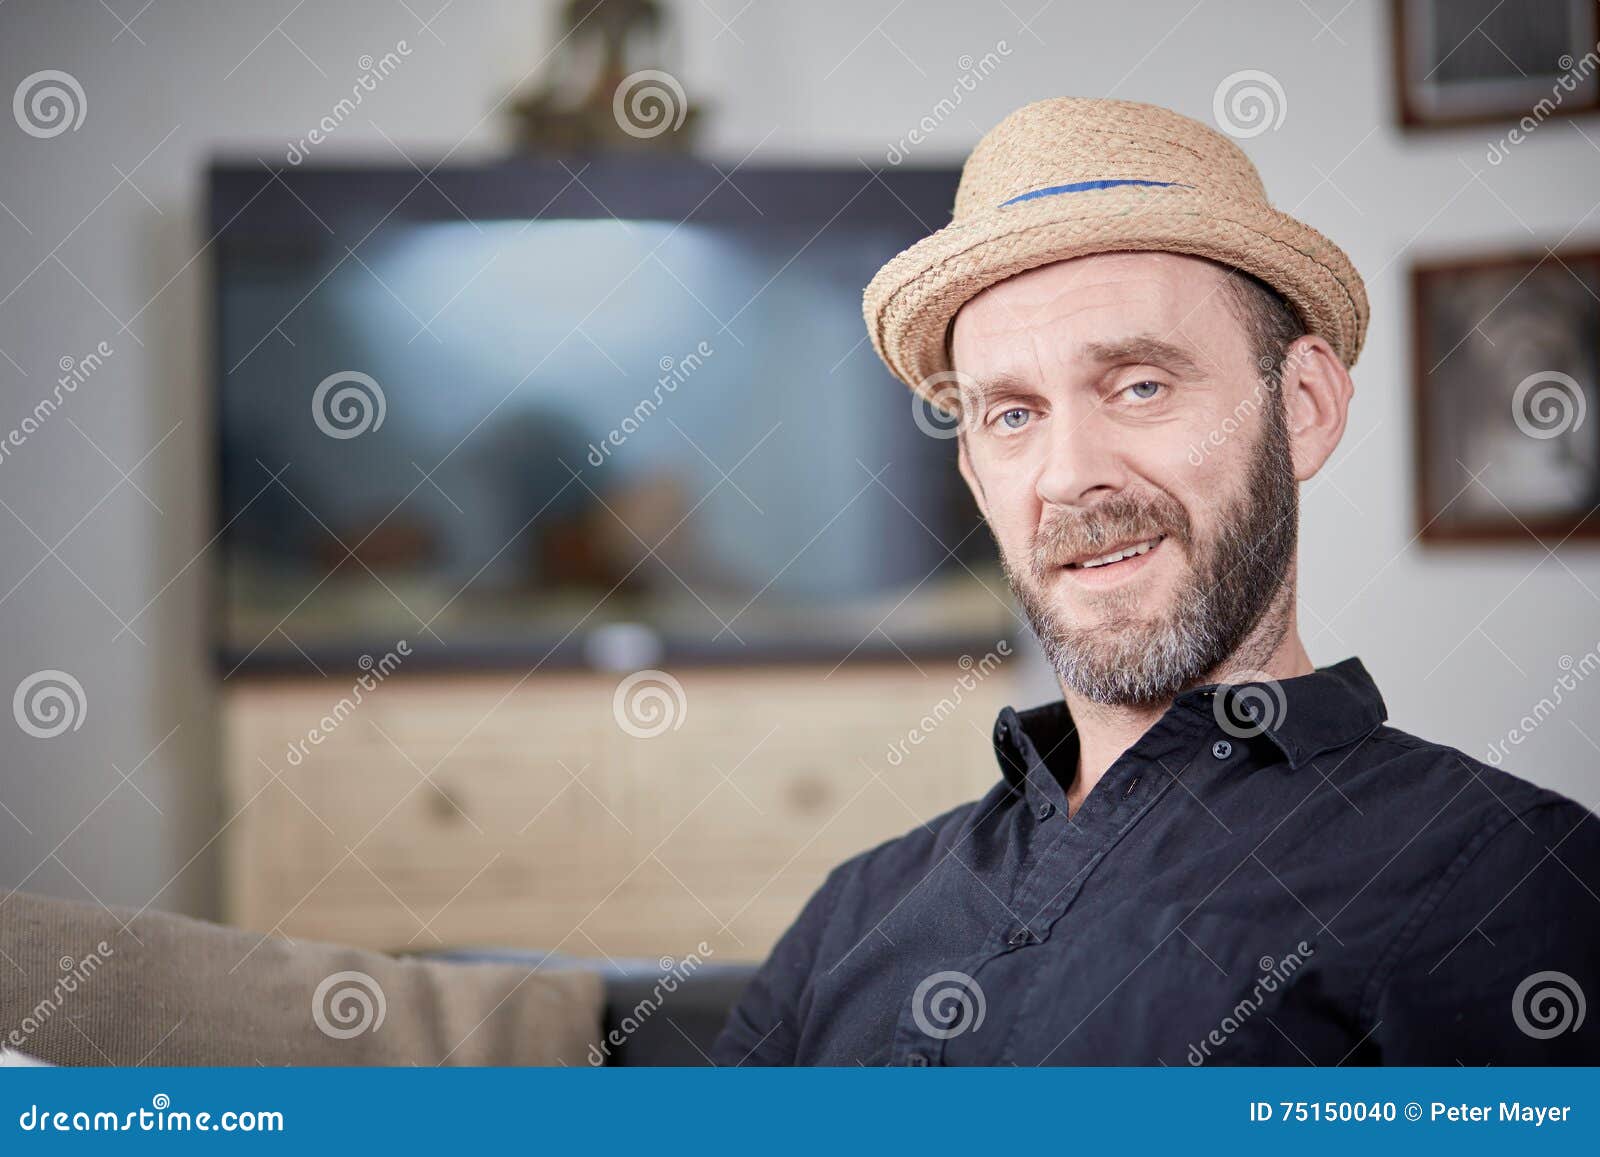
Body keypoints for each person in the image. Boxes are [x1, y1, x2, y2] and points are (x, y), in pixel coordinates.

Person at [710, 97, 1599, 1066]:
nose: (1067, 473)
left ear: (1301, 405)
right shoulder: (853, 910)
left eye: (1140, 384)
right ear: (972, 471)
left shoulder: (1508, 876)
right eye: (1012, 414)